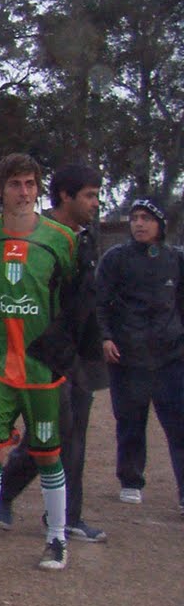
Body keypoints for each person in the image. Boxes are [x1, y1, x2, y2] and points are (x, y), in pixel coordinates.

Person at [0, 154, 80, 573]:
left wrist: (64, 351)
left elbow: (76, 300)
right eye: (15, 184)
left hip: (41, 368)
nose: (24, 192)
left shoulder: (62, 238)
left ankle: (57, 538)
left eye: (30, 184)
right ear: (1, 189)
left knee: (47, 454)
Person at [0, 165, 107, 542]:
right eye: (89, 195)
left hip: (76, 354)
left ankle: (61, 514)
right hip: (42, 351)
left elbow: (88, 300)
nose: (95, 202)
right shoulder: (39, 238)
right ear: (65, 196)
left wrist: (96, 343)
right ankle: (9, 495)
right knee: (52, 432)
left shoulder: (87, 240)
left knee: (67, 433)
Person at [98, 198, 184, 514]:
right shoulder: (115, 259)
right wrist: (106, 337)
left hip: (170, 359)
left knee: (179, 426)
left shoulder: (175, 259)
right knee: (131, 423)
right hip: (127, 359)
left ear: (160, 223)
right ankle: (131, 481)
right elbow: (100, 303)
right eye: (134, 217)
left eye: (146, 218)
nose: (139, 224)